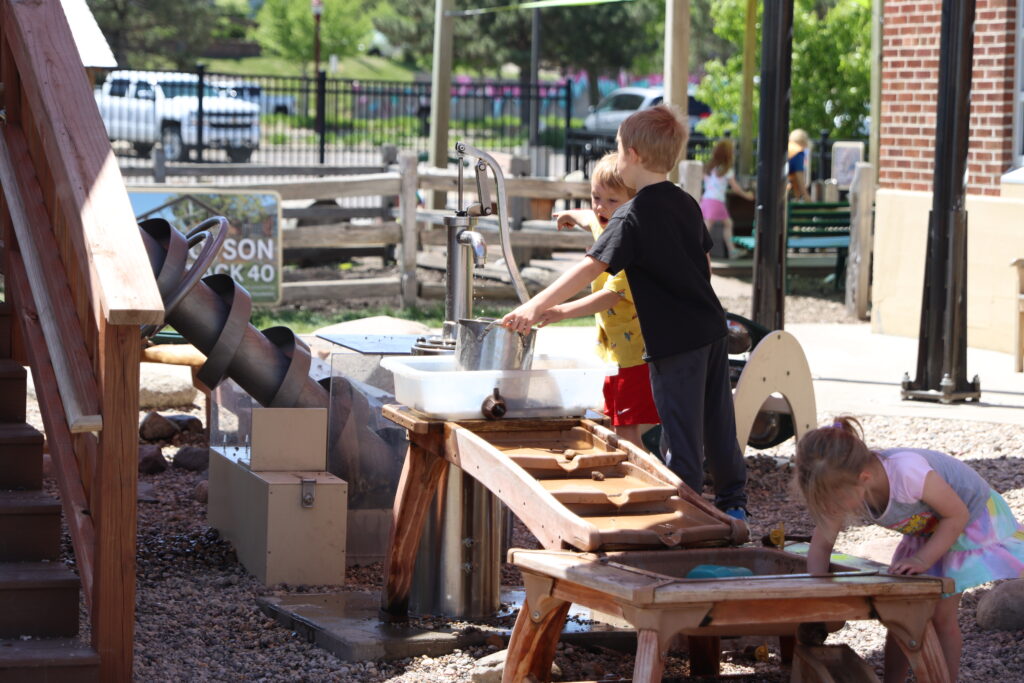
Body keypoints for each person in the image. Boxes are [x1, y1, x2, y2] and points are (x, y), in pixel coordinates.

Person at [500, 104, 748, 521]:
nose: (616, 159)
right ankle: (733, 504)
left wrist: (535, 304)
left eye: (617, 151)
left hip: (673, 342)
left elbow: (589, 267)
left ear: (632, 155)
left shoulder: (632, 215)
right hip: (710, 328)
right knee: (718, 424)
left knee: (680, 431)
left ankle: (683, 517)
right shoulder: (685, 202)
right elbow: (704, 265)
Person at [793, 416, 1024, 682]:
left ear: (864, 478)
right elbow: (821, 545)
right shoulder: (843, 482)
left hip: (966, 520)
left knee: (940, 616)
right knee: (901, 613)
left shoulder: (907, 473)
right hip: (928, 527)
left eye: (832, 499)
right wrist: (817, 594)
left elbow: (956, 515)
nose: (830, 506)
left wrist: (924, 558)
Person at [543, 153, 658, 449]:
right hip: (614, 356)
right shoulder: (605, 225)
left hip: (633, 359)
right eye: (596, 197)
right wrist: (571, 214)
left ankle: (647, 484)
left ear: (632, 206)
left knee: (628, 436)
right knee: (617, 426)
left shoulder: (632, 244)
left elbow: (610, 296)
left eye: (611, 201)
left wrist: (561, 311)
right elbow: (590, 219)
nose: (600, 207)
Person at [699, 139, 753, 259]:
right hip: (716, 201)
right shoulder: (727, 170)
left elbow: (704, 180)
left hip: (707, 200)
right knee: (710, 225)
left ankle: (731, 250)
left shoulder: (710, 167)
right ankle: (699, 251)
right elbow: (736, 188)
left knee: (724, 223)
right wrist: (747, 195)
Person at [787, 128, 810, 201]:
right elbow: (799, 177)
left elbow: (793, 179)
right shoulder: (798, 151)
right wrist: (807, 197)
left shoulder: (788, 147)